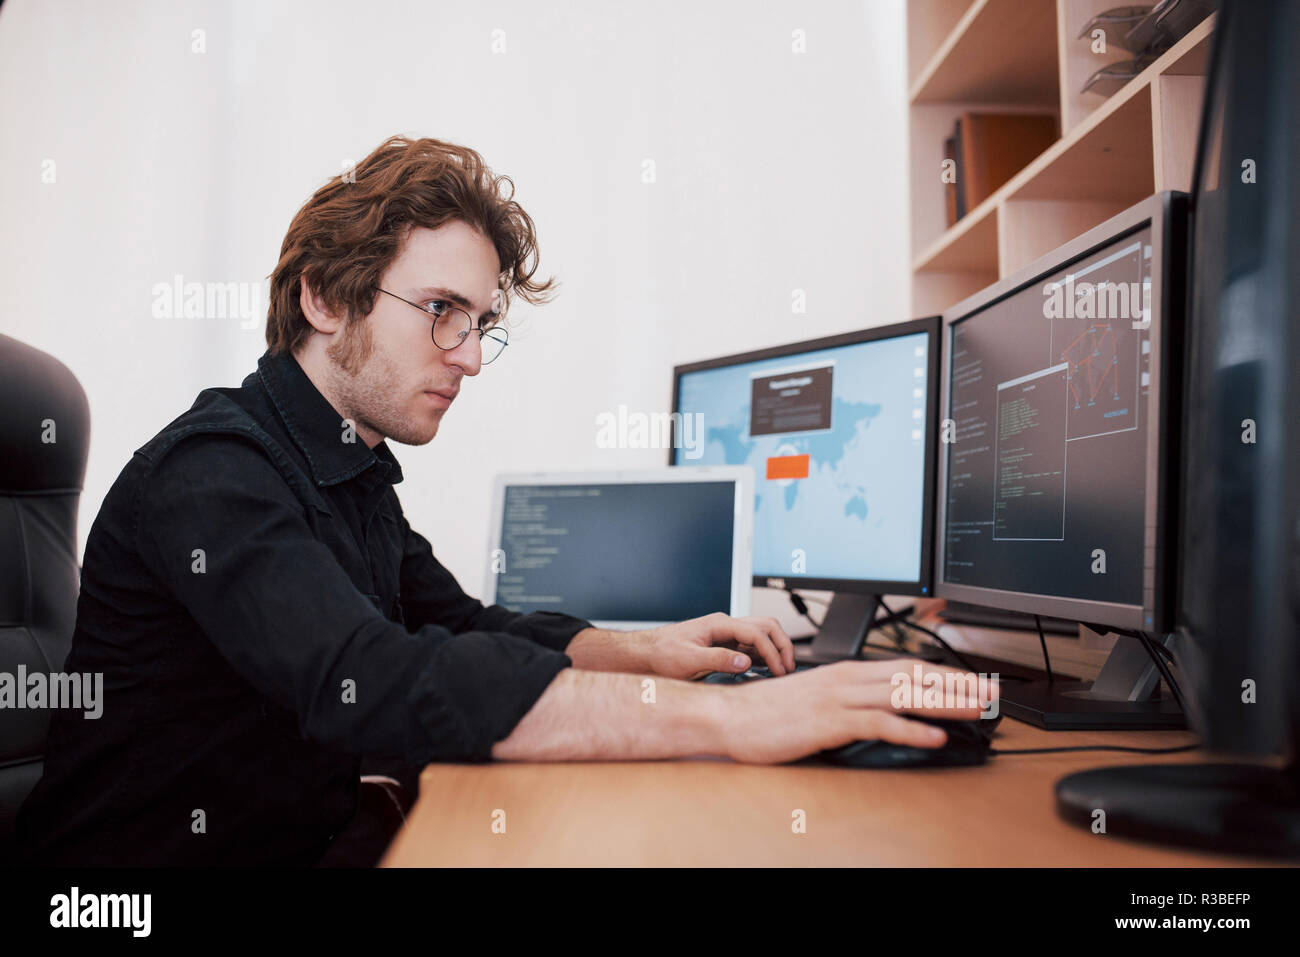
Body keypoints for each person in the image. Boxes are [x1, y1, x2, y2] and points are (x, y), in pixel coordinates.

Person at [14, 135, 988, 867]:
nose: (472, 357)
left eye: (481, 325)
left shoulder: (346, 471)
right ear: (322, 298)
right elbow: (372, 681)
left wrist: (646, 652)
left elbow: (464, 622)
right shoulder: (214, 476)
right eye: (442, 312)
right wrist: (738, 724)